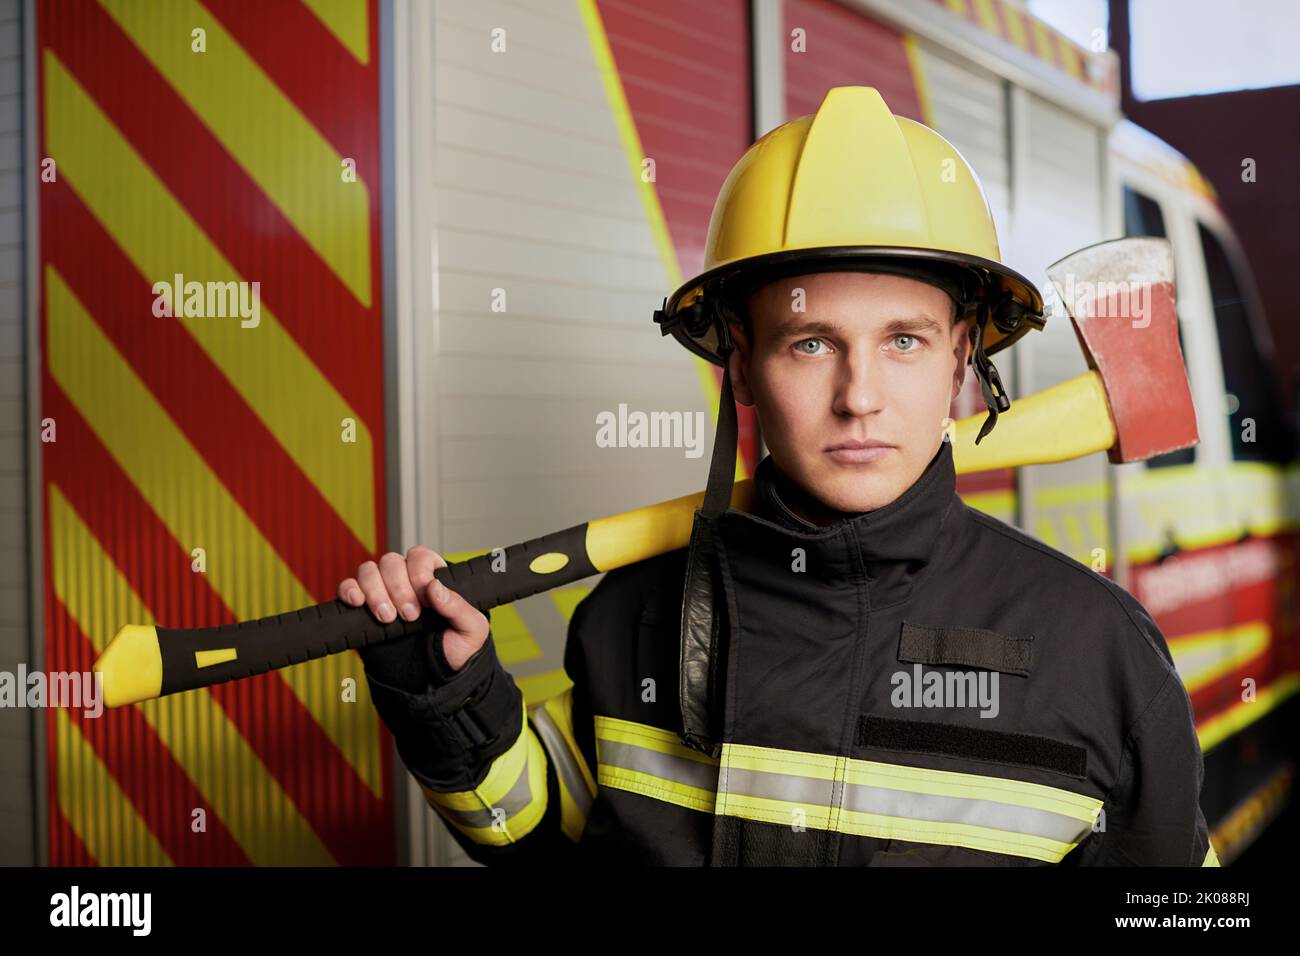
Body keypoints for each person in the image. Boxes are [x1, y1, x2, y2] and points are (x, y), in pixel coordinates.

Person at [343, 86, 1218, 866]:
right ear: (743, 365)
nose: (859, 398)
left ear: (962, 360)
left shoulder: (1098, 656)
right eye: (811, 343)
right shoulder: (631, 618)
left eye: (903, 341)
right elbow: (546, 833)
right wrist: (448, 692)